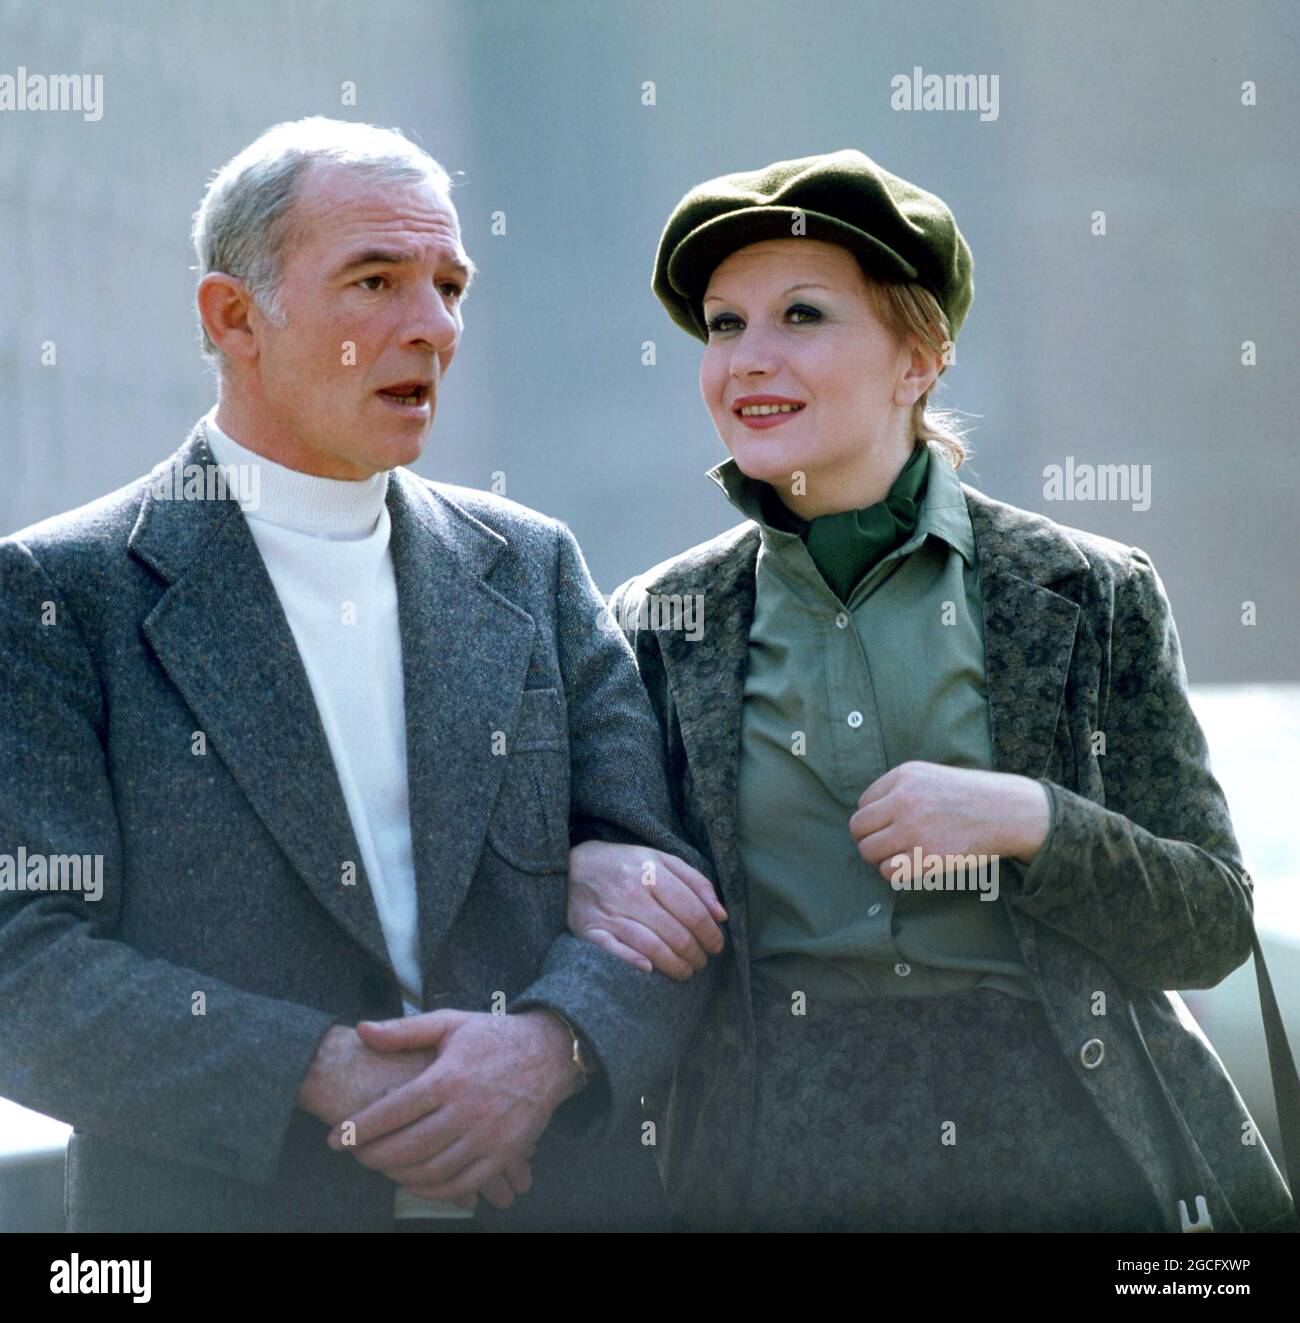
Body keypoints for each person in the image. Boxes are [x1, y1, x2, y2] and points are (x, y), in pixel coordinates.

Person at [0, 117, 717, 1232]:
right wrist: (327, 1071)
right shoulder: (58, 594)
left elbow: (668, 907)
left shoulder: (531, 565)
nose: (431, 326)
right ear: (232, 316)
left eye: (448, 285)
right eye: (376, 280)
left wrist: (546, 1050)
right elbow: (21, 965)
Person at [566, 148, 1297, 1233]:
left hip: (1076, 1161)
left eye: (801, 315)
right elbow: (595, 903)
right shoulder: (655, 624)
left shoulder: (1089, 592)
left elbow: (1207, 930)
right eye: (724, 325)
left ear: (920, 356)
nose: (747, 361)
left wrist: (1033, 821)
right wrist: (582, 868)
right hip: (771, 1166)